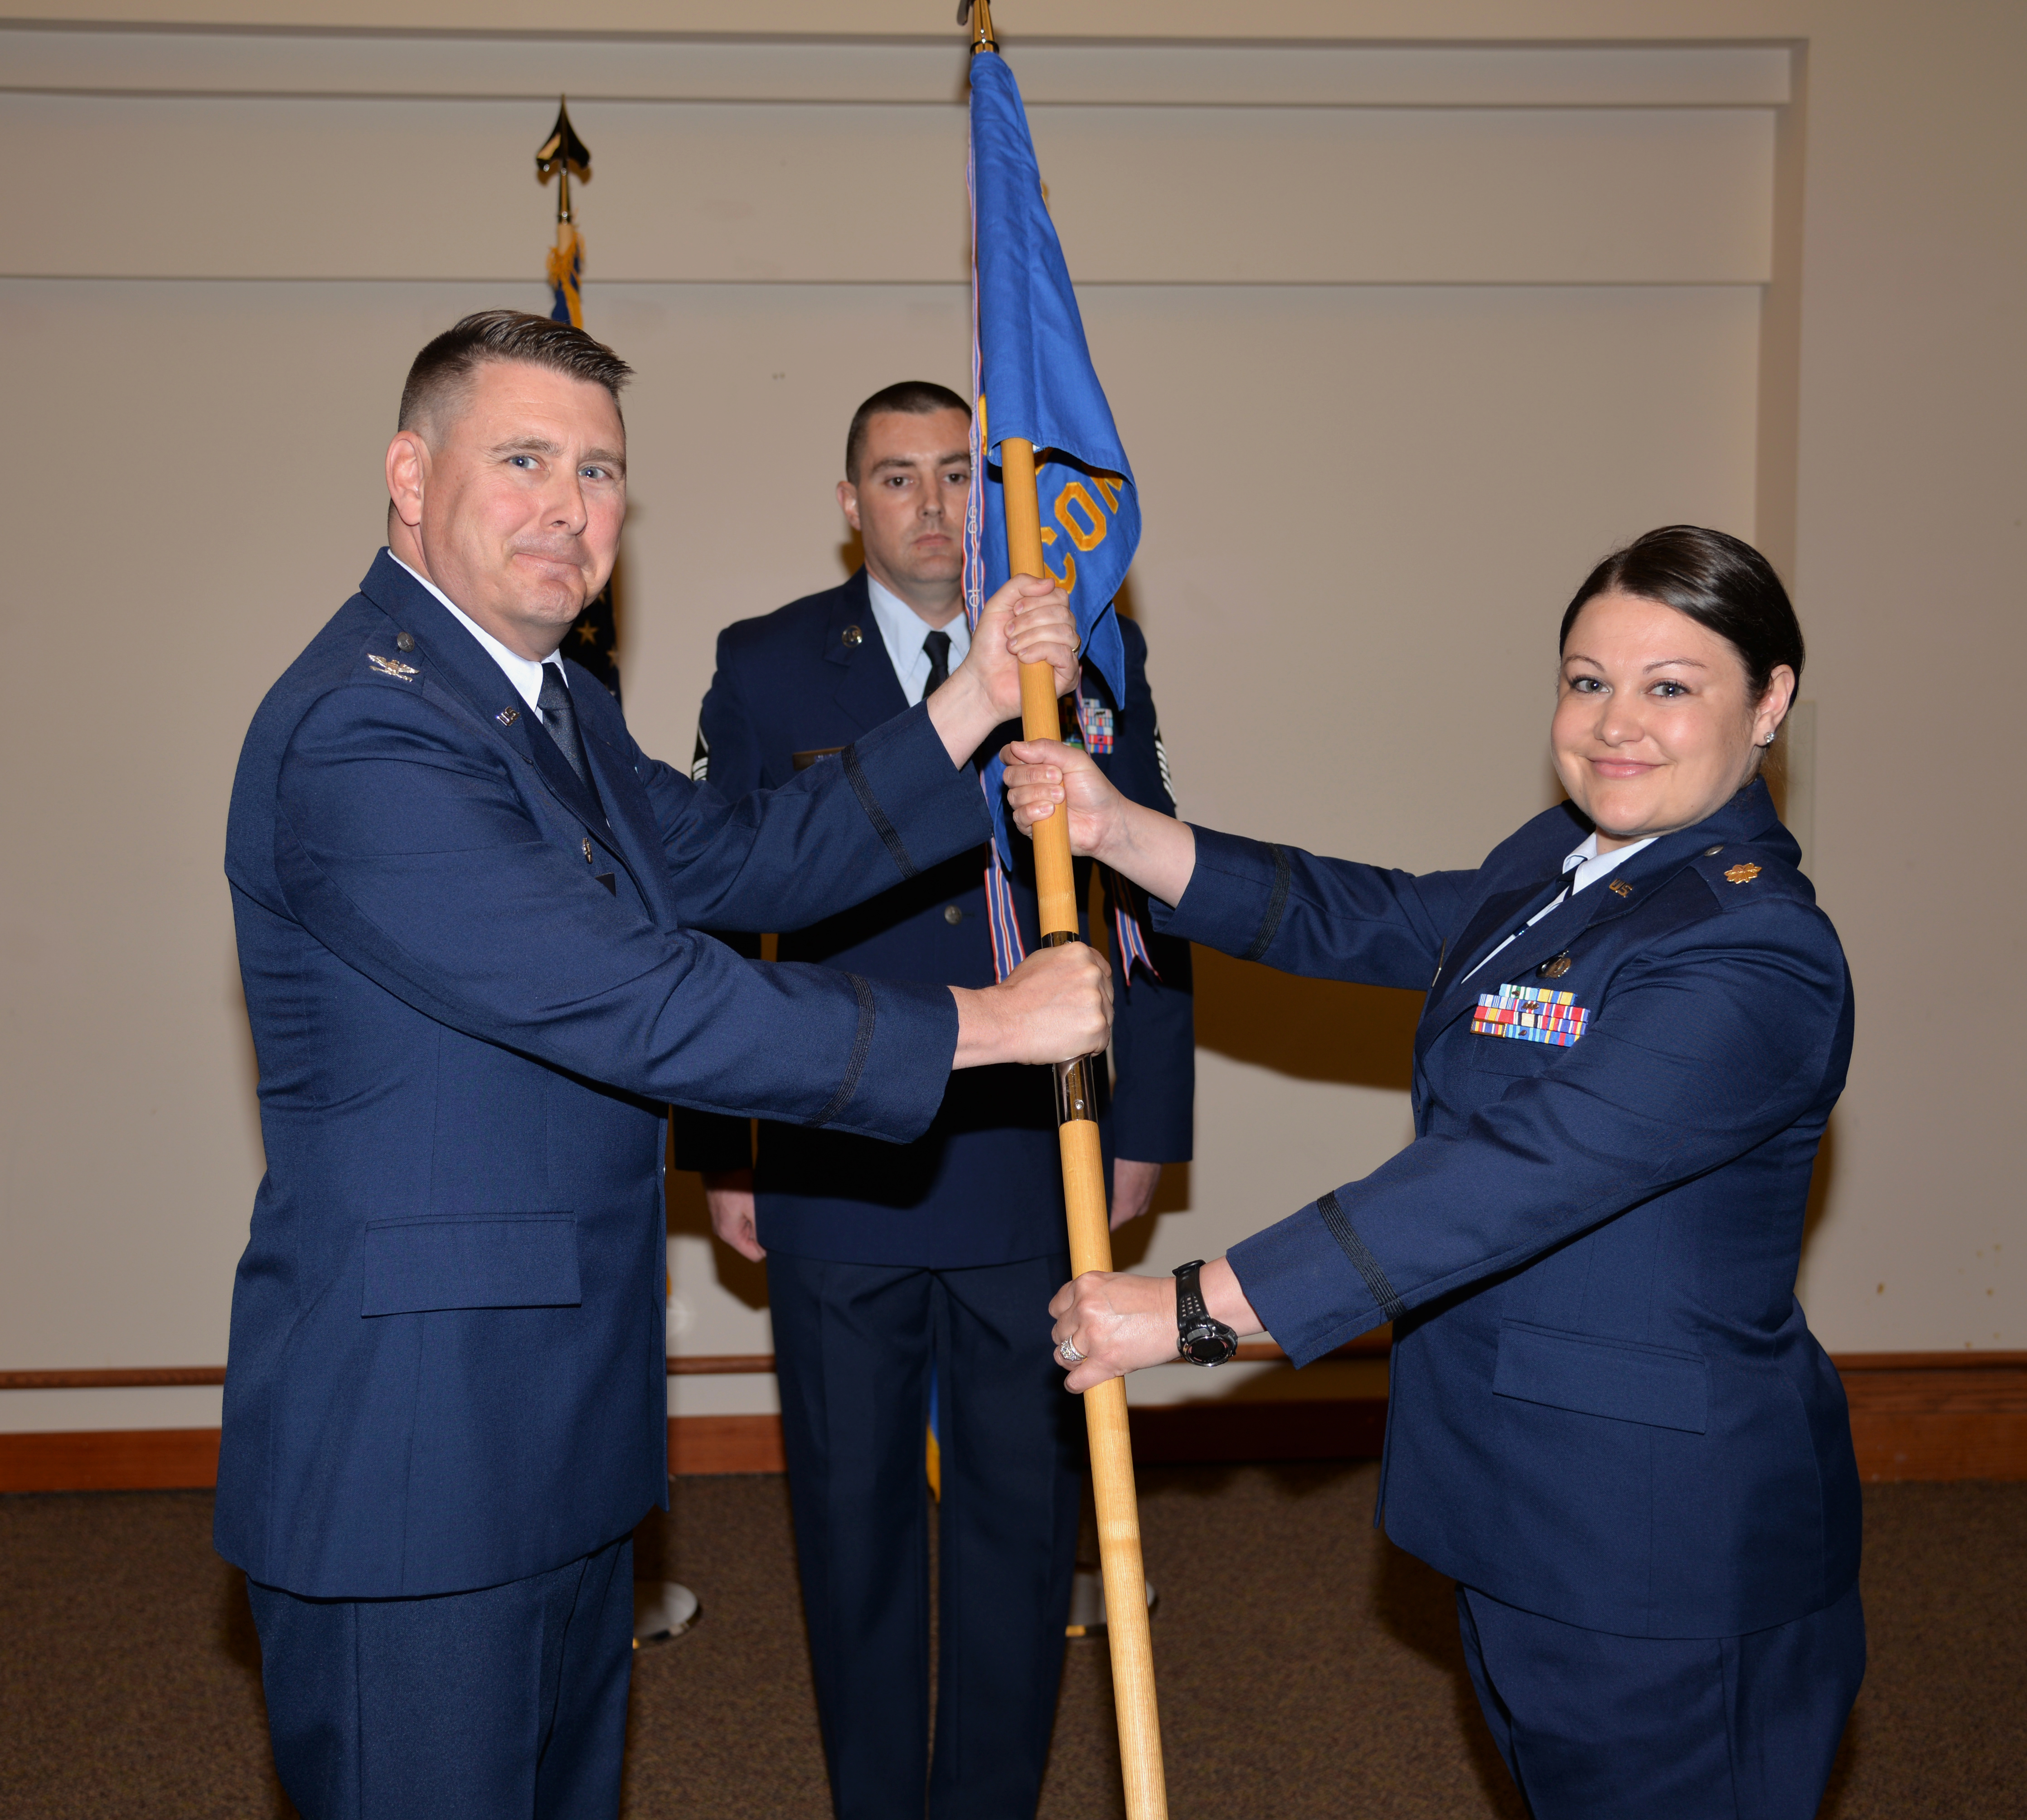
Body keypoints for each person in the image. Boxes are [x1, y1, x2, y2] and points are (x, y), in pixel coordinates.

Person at [217, 310, 1111, 1820]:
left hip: (556, 1422)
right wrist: (991, 1024)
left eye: (600, 472)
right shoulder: (370, 730)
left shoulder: (549, 709)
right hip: (421, 1448)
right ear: (407, 473)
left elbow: (759, 859)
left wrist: (964, 702)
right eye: (523, 461)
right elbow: (641, 1000)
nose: (569, 507)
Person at [1009, 526, 1862, 1820]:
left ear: (1772, 699)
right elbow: (1379, 914)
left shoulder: (1754, 953)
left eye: (1670, 686)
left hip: (1661, 1549)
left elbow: (1512, 1173)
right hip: (1524, 1501)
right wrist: (1125, 833)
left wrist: (1194, 1308)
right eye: (1588, 680)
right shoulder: (1566, 862)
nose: (1615, 724)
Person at [675, 380, 1193, 1820]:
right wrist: (727, 1148)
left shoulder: (1088, 647)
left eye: (961, 475)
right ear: (849, 507)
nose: (931, 504)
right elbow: (722, 914)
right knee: (852, 1529)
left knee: (1022, 1526)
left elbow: (1145, 890)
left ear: (996, 495)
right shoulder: (768, 663)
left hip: (1033, 1154)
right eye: (895, 478)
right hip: (838, 1156)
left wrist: (1147, 1118)